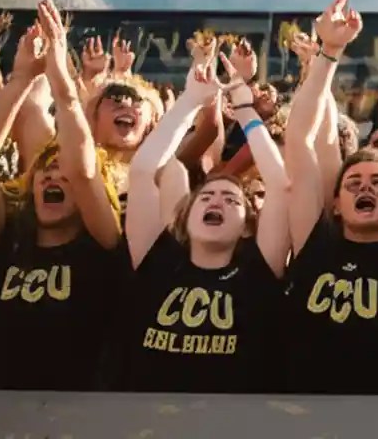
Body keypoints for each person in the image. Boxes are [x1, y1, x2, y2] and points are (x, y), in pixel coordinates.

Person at [280, 0, 378, 394]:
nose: (366, 188)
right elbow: (300, 140)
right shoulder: (314, 244)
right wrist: (329, 53)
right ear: (334, 200)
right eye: (353, 184)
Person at [116, 47, 289, 393]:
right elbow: (143, 172)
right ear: (186, 215)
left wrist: (244, 109)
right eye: (206, 197)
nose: (217, 201)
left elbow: (280, 184)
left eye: (232, 199)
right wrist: (190, 101)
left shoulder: (258, 269)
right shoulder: (159, 258)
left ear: (247, 225)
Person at [0, 8, 123, 391]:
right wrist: (18, 79)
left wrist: (61, 75)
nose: (53, 175)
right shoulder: (7, 240)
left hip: (75, 416)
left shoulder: (102, 245)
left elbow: (82, 168)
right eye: (45, 170)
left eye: (62, 170)